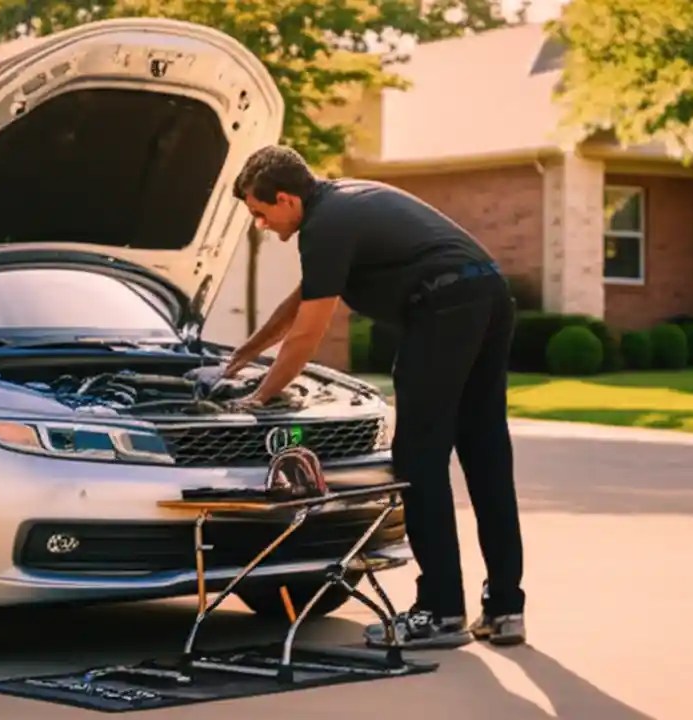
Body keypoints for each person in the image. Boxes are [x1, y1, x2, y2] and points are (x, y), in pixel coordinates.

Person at [222, 145, 526, 648]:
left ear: (285, 199)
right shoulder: (344, 205)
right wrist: (246, 354)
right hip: (489, 295)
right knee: (485, 451)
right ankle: (505, 610)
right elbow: (300, 304)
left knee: (418, 458)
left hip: (443, 305)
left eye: (260, 213)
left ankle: (441, 610)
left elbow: (307, 335)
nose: (260, 225)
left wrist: (258, 398)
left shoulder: (323, 226)